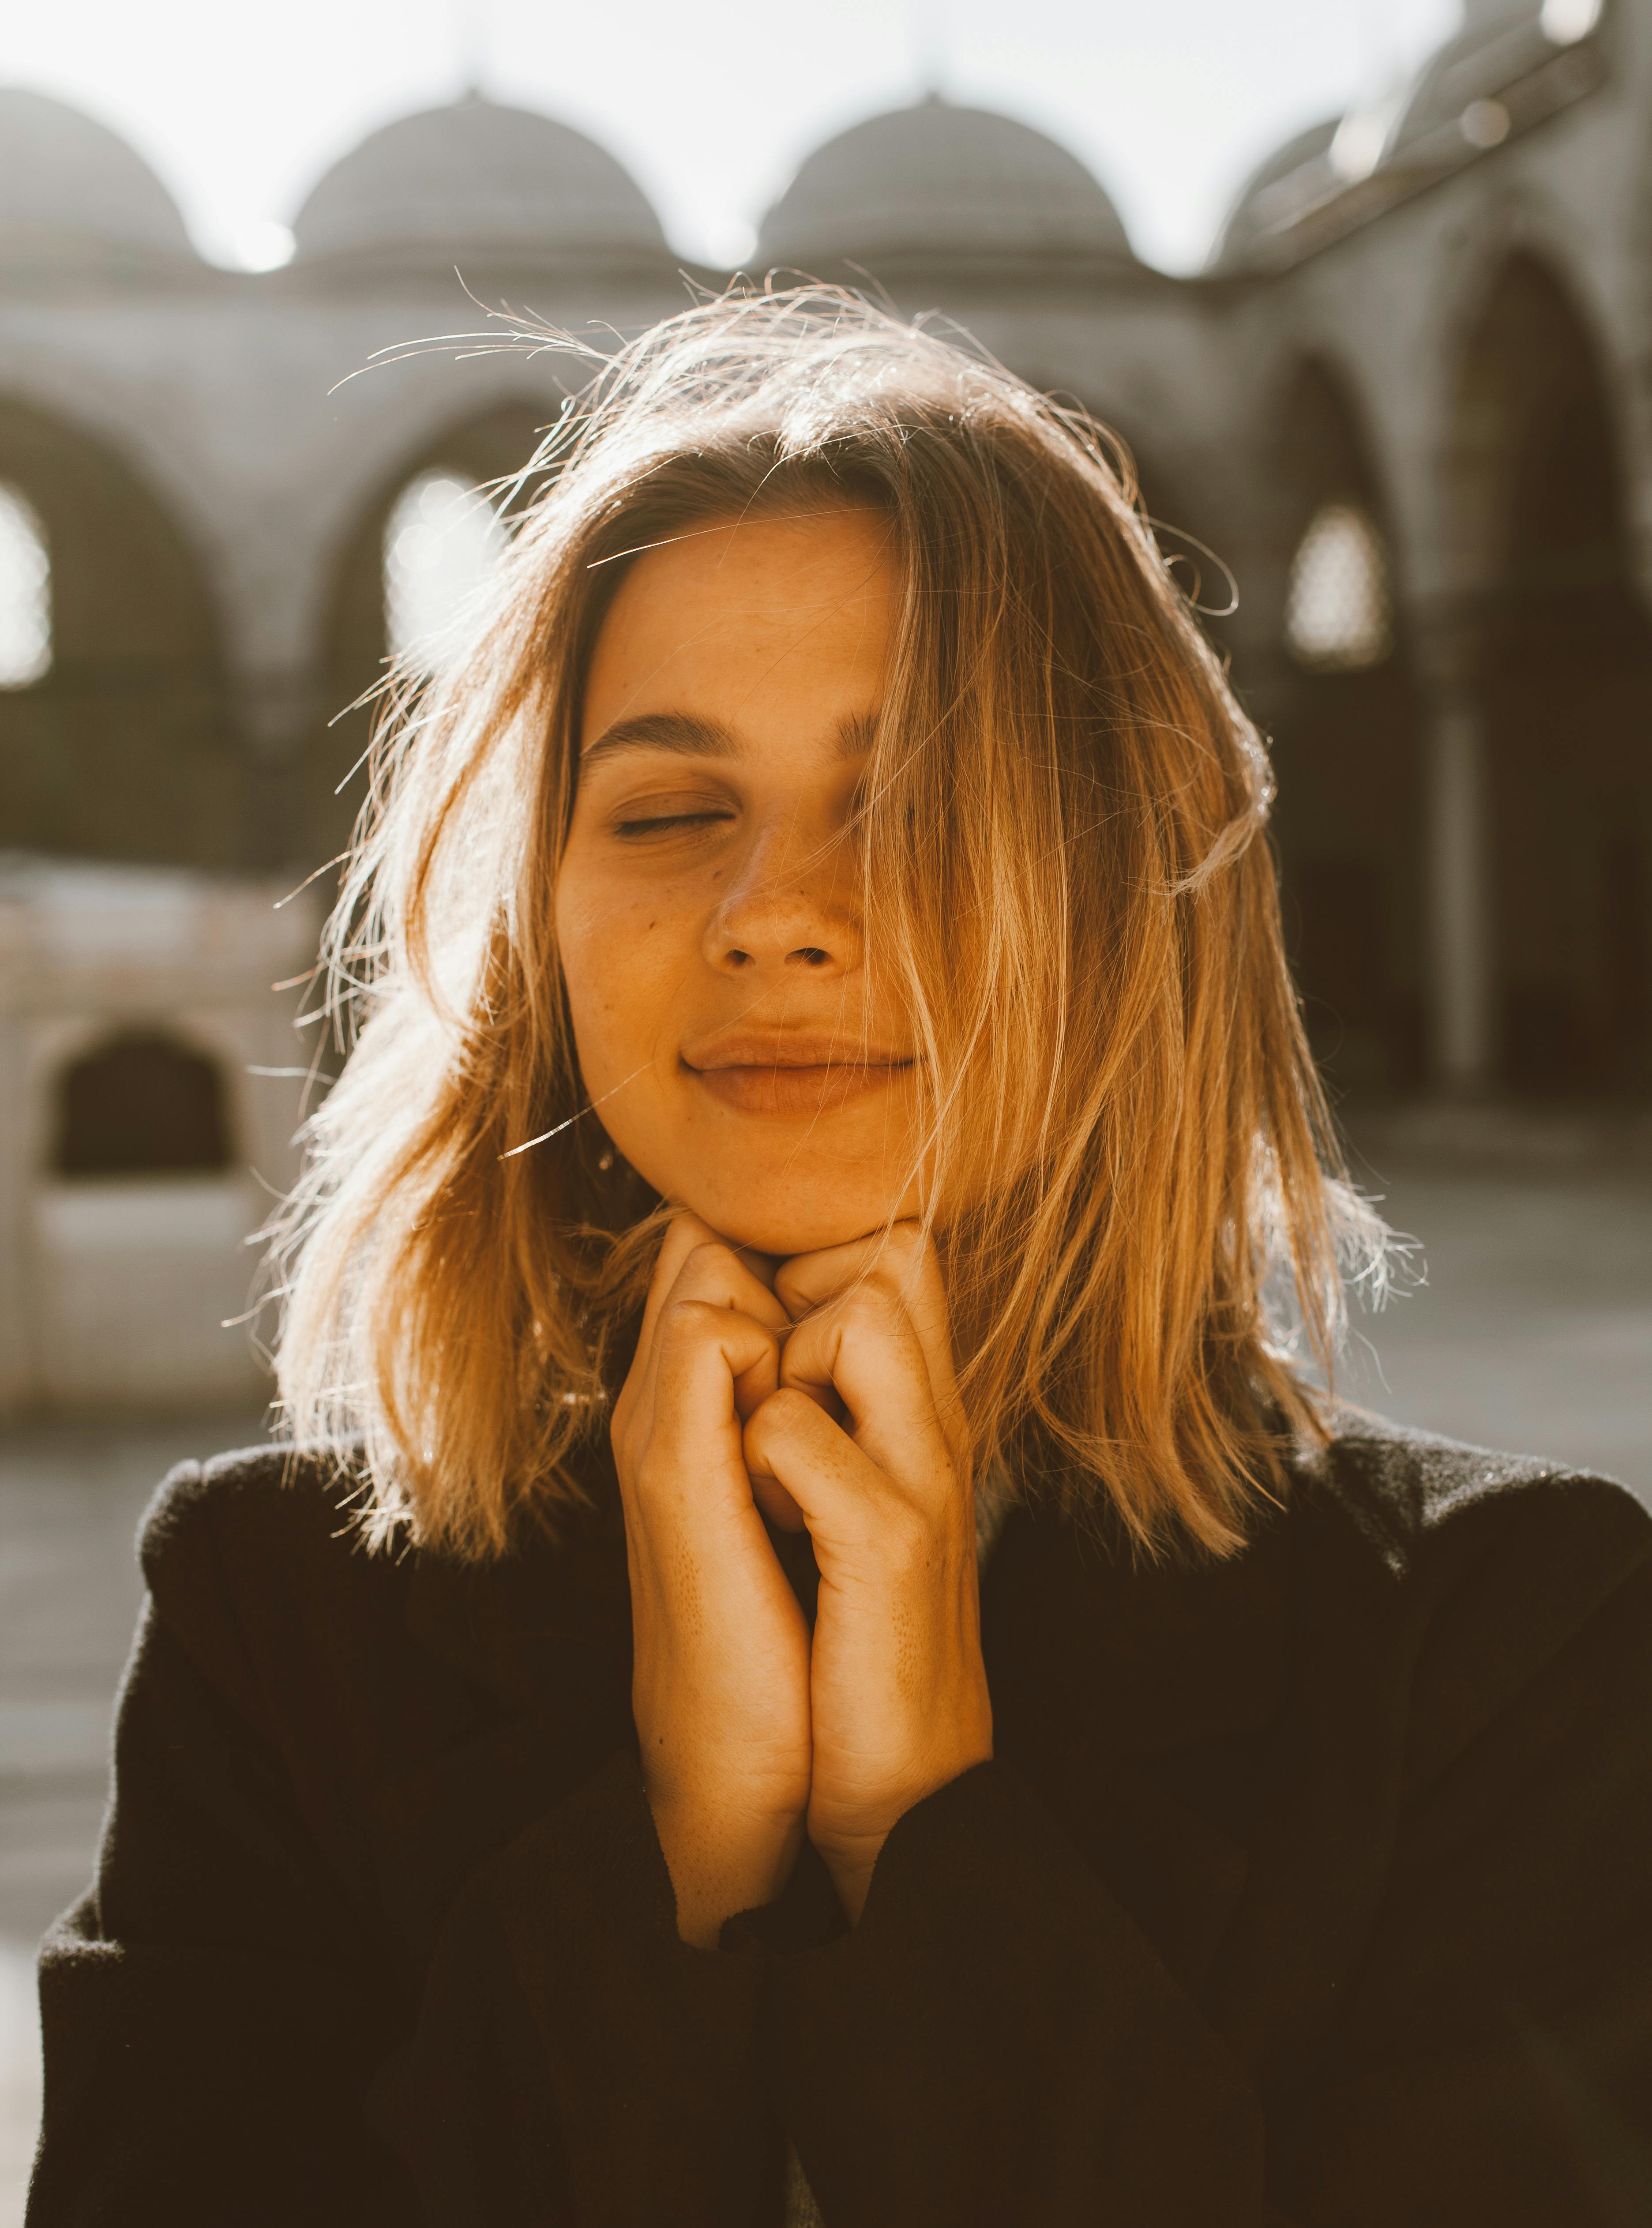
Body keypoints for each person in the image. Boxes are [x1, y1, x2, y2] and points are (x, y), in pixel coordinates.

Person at [27, 288, 1651, 2226]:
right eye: (668, 806)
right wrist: (683, 1871)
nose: (776, 910)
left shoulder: (1509, 1647)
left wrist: (916, 1837)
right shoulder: (273, 1623)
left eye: (921, 800)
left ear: (1140, 889)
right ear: (539, 921)